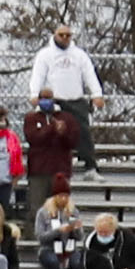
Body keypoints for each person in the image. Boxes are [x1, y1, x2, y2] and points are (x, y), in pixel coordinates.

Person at [30, 23, 104, 168]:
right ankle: (54, 166)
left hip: (76, 100)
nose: (64, 38)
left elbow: (90, 75)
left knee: (83, 133)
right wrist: (34, 94)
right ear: (55, 35)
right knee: (54, 132)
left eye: (68, 35)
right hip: (55, 101)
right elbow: (38, 76)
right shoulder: (45, 55)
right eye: (61, 35)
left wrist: (97, 94)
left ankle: (90, 167)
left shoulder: (80, 55)